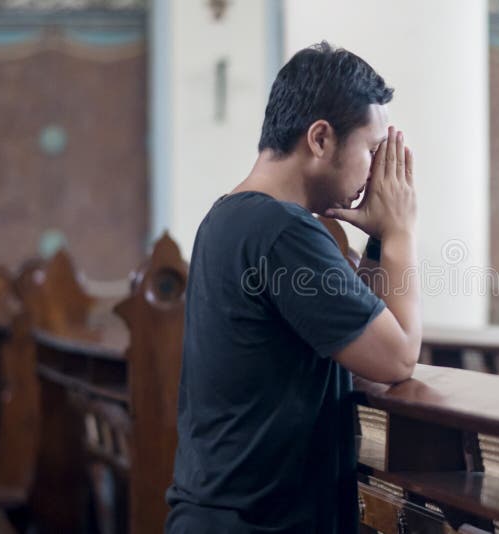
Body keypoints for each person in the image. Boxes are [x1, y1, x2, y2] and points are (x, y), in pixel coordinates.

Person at [165, 41, 421, 533]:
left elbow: (363, 340)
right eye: (371, 150)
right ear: (321, 139)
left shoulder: (230, 216)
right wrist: (403, 230)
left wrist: (377, 242)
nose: (376, 174)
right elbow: (397, 357)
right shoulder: (284, 231)